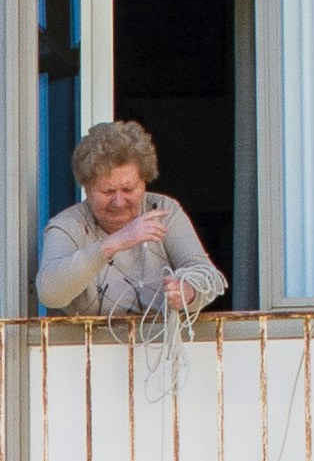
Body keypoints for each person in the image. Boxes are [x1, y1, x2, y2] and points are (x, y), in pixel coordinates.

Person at [36, 119, 227, 318]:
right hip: (88, 348)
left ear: (144, 182)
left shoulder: (162, 210)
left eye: (128, 189)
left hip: (159, 347)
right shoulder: (68, 225)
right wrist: (112, 244)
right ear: (87, 188)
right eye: (107, 191)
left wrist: (188, 292)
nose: (119, 202)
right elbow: (50, 294)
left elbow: (210, 277)